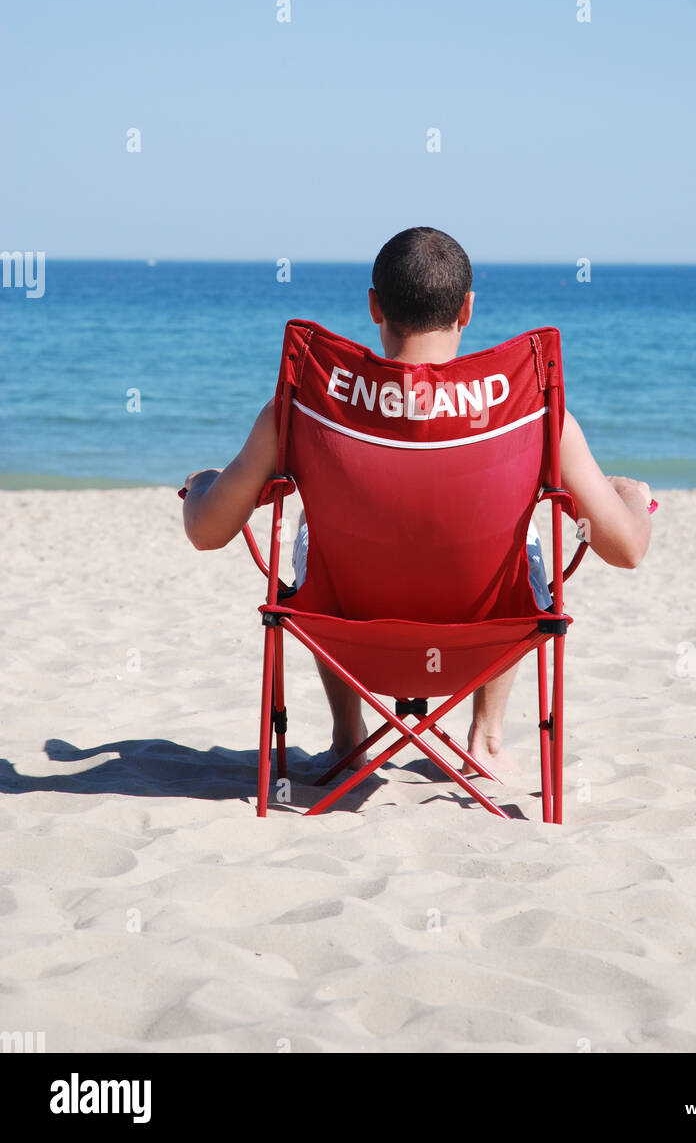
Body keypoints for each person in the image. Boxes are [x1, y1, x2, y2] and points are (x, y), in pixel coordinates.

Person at [183, 228, 652, 775]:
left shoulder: (303, 406)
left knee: (319, 528)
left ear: (374, 306)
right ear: (468, 309)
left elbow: (207, 531)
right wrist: (632, 496)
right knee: (519, 533)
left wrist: (201, 484)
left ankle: (349, 733)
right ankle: (487, 736)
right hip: (484, 644)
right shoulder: (535, 413)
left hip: (350, 641)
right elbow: (626, 549)